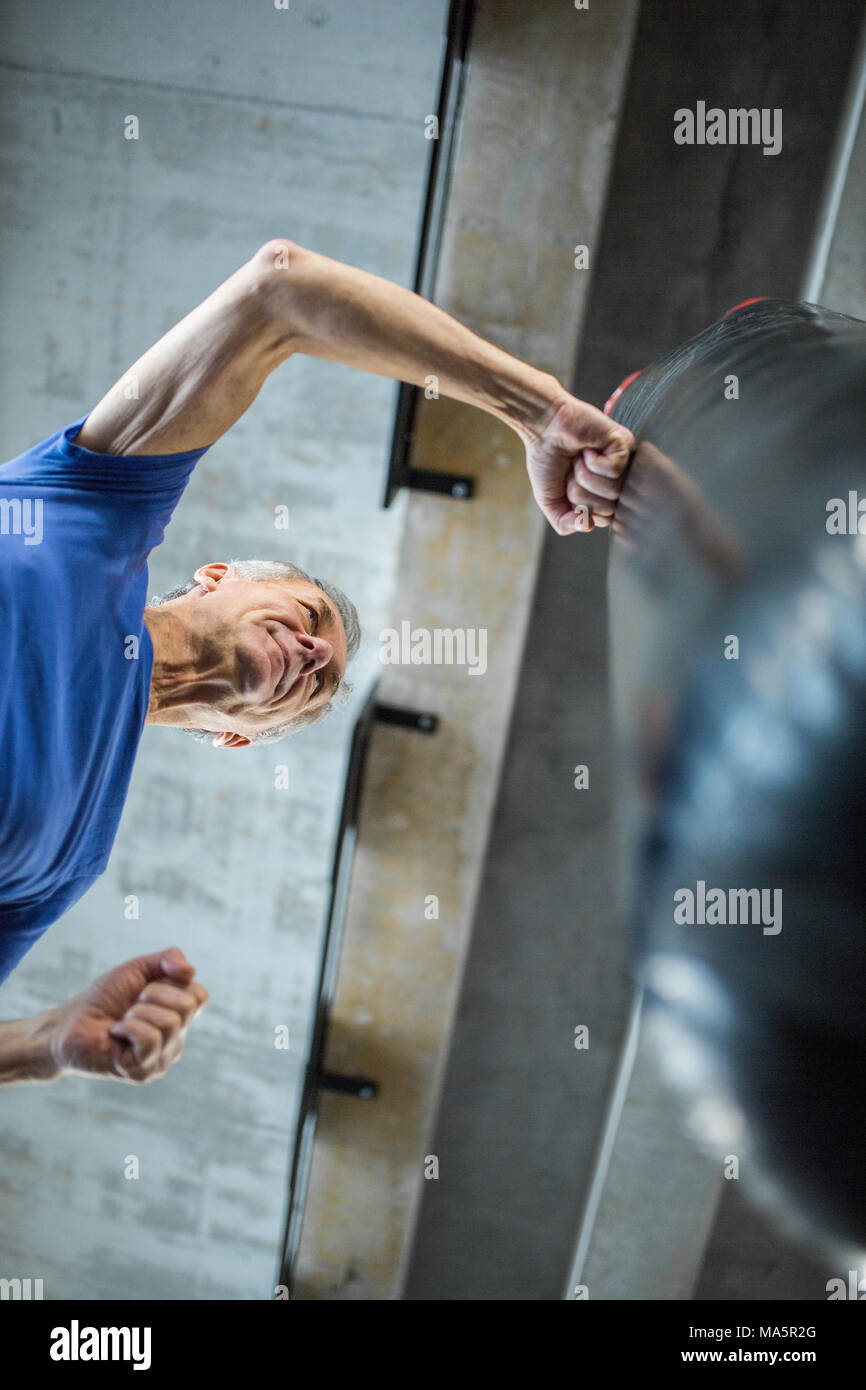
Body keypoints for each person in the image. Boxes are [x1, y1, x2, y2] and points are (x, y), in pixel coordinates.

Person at [0, 237, 633, 1086]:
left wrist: (45, 1043)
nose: (312, 650)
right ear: (216, 576)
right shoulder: (95, 512)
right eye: (308, 615)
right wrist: (540, 411)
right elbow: (279, 291)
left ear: (242, 737)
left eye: (323, 679)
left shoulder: (75, 852)